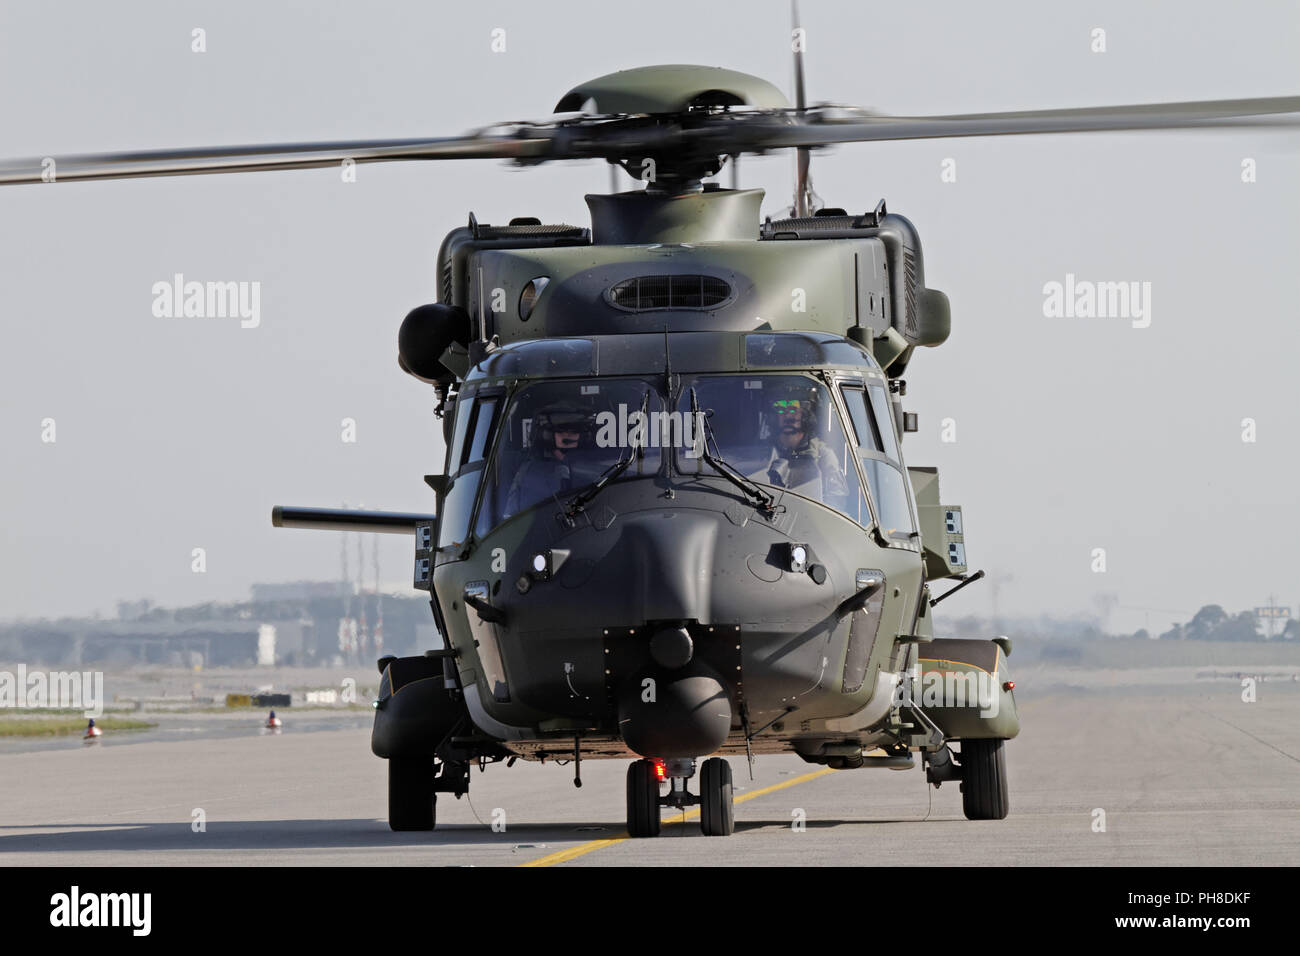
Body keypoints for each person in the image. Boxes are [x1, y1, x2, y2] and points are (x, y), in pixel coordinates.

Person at [757, 386, 850, 508]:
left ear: (804, 416)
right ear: (774, 417)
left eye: (792, 410)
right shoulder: (762, 452)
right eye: (780, 411)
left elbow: (836, 499)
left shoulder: (823, 454)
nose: (787, 416)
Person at [503, 403, 594, 516]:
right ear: (546, 434)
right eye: (561, 430)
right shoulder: (529, 470)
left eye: (574, 431)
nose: (568, 435)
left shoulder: (592, 466)